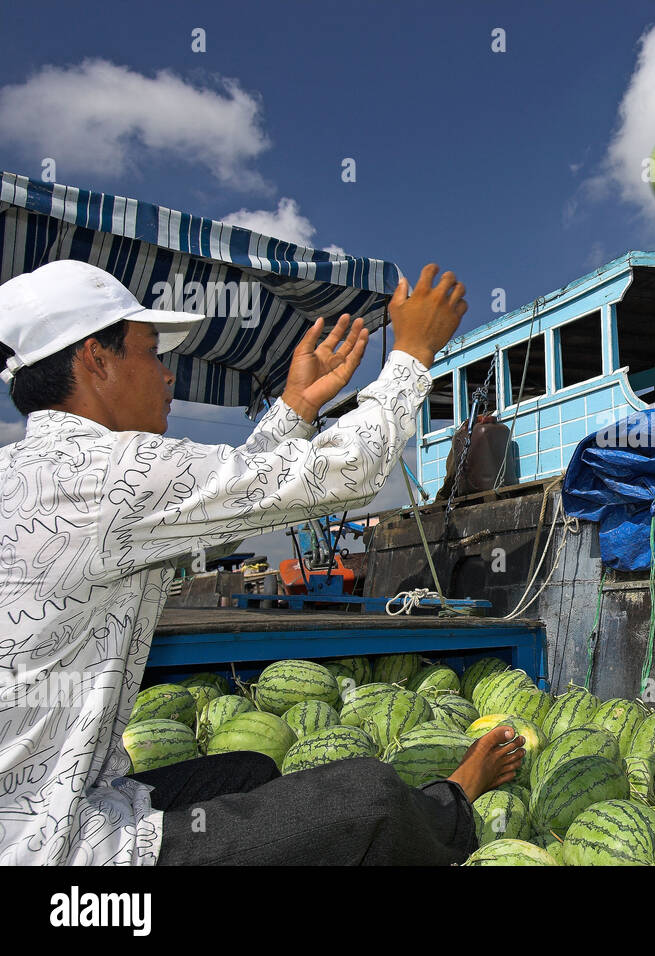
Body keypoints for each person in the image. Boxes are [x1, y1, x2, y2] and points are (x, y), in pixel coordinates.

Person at [0, 259, 523, 865]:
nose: (166, 374)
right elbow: (344, 474)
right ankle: (452, 804)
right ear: (96, 359)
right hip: (58, 850)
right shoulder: (105, 473)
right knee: (368, 797)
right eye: (149, 351)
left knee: (248, 771)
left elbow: (221, 514)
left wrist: (296, 408)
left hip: (72, 803)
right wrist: (410, 355)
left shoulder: (39, 471)